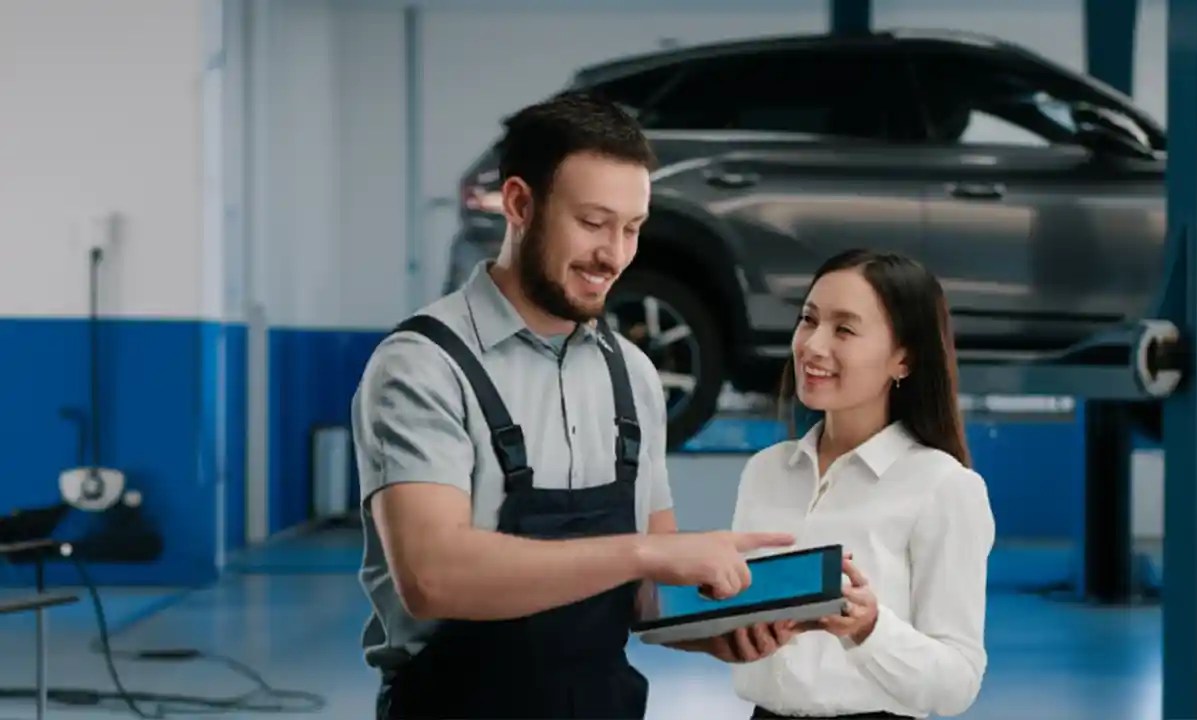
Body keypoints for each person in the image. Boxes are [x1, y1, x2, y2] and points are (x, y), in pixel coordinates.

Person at [351, 91, 793, 720]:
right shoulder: (424, 365)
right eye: (593, 222)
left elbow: (645, 597)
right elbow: (433, 577)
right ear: (519, 204)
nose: (614, 254)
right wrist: (643, 551)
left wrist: (723, 630)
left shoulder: (634, 375)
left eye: (633, 228)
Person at [677, 249, 996, 719]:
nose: (813, 345)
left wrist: (869, 628)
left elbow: (957, 683)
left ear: (903, 359)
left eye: (844, 329)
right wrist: (730, 630)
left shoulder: (944, 487)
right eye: (809, 320)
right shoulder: (766, 470)